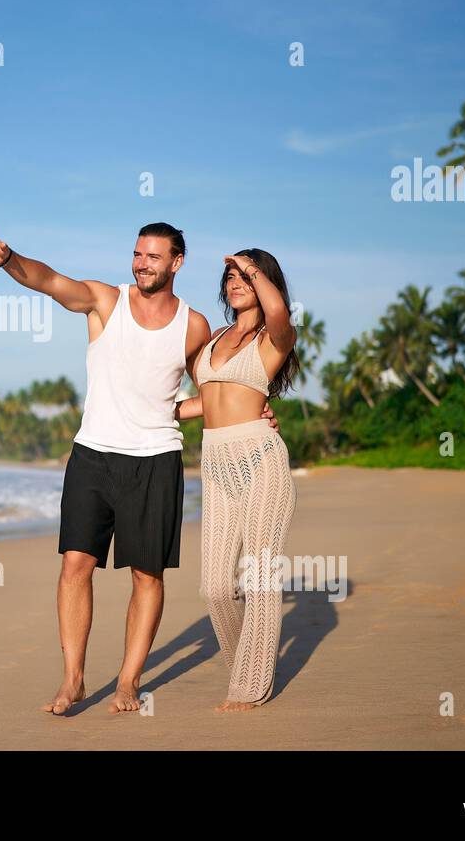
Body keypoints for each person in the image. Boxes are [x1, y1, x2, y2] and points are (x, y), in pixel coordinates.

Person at [0, 222, 277, 715]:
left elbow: (217, 386)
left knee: (146, 574)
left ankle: (129, 681)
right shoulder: (104, 301)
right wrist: (9, 259)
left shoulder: (194, 326)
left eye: (154, 256)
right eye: (138, 254)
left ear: (176, 263)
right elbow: (47, 280)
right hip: (93, 453)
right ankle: (73, 678)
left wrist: (252, 410)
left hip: (156, 459)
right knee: (75, 564)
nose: (142, 263)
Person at [176, 249, 299, 711]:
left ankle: (250, 686)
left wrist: (250, 264)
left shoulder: (275, 335)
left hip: (260, 458)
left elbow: (280, 311)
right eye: (229, 275)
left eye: (245, 275)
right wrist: (166, 414)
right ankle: (244, 667)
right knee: (214, 586)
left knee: (261, 578)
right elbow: (208, 400)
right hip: (216, 463)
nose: (235, 281)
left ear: (264, 280)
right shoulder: (213, 340)